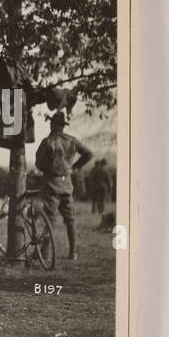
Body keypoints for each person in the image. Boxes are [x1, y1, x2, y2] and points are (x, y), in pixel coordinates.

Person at [34, 102, 94, 260]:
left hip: (51, 182)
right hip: (67, 183)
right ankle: (73, 252)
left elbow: (39, 163)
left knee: (50, 218)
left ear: (53, 124)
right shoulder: (72, 140)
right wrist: (73, 167)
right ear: (63, 126)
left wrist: (49, 167)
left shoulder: (47, 142)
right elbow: (88, 154)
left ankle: (45, 253)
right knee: (70, 219)